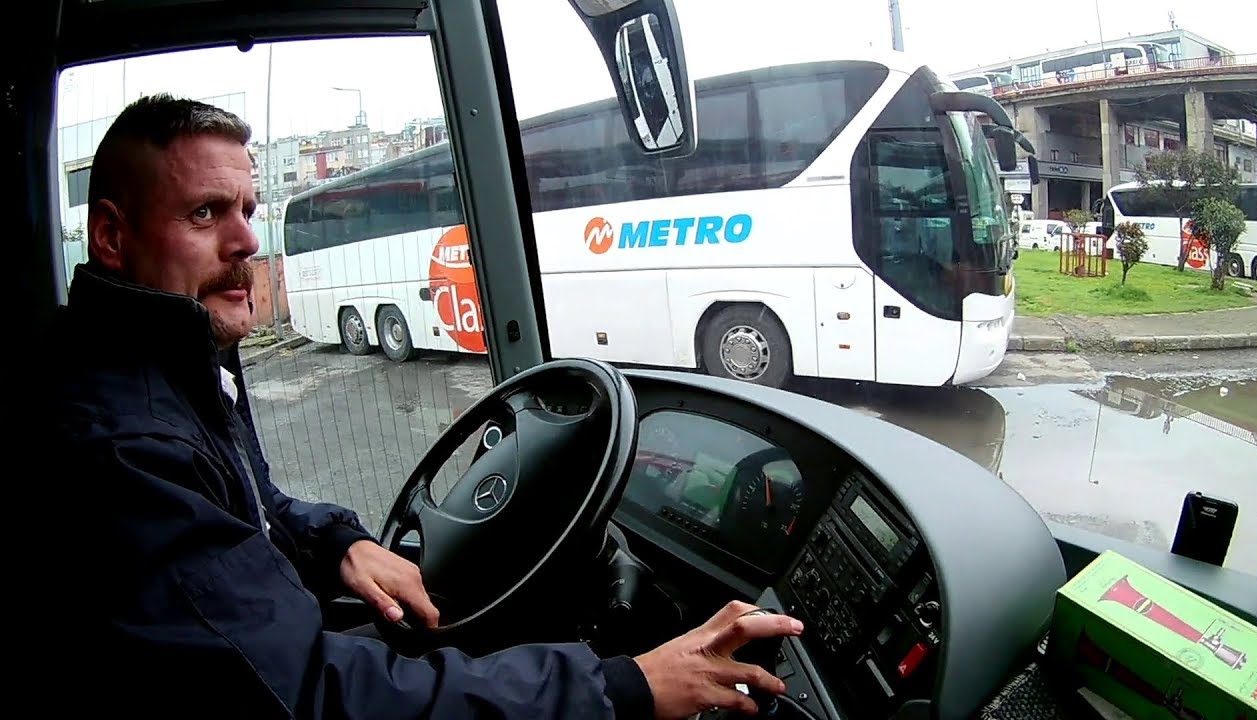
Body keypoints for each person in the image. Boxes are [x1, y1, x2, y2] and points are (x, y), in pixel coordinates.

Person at [40, 93, 803, 719]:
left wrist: (339, 543)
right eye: (206, 213)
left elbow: (254, 507)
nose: (248, 240)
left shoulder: (175, 369)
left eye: (248, 207)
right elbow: (310, 693)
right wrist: (623, 687)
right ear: (110, 235)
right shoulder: (126, 448)